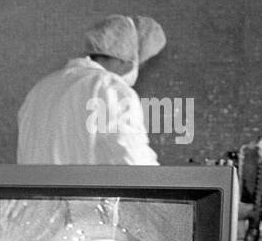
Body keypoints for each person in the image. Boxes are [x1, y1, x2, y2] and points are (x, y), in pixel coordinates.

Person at [17, 14, 167, 165]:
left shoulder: (40, 90)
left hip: (37, 189)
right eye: (141, 63)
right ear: (127, 61)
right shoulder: (110, 88)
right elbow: (134, 162)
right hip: (89, 189)